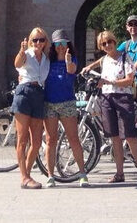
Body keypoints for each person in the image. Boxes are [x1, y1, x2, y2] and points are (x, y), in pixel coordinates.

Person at [95, 30, 137, 185]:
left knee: (130, 136)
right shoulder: (104, 60)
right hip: (107, 98)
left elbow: (129, 80)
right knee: (114, 137)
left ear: (114, 41)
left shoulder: (125, 57)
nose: (107, 45)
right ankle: (119, 173)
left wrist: (110, 82)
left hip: (123, 98)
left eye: (109, 42)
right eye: (103, 44)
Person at [43, 29, 89, 187]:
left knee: (73, 139)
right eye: (57, 43)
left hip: (67, 103)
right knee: (51, 140)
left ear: (68, 44)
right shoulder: (48, 60)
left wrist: (68, 61)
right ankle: (50, 175)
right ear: (53, 45)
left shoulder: (73, 58)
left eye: (63, 43)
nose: (61, 46)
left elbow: (71, 71)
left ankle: (82, 174)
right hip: (49, 103)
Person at [11, 27, 50, 189]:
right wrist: (21, 51)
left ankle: (25, 174)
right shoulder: (26, 55)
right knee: (22, 139)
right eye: (35, 40)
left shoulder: (46, 59)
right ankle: (25, 177)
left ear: (45, 42)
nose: (38, 43)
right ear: (30, 41)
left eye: (41, 40)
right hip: (25, 92)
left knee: (36, 141)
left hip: (38, 94)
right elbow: (17, 63)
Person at [118, 14, 137, 104]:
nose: (133, 26)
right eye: (130, 24)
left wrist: (131, 71)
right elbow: (113, 55)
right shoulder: (126, 44)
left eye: (136, 24)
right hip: (129, 84)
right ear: (127, 27)